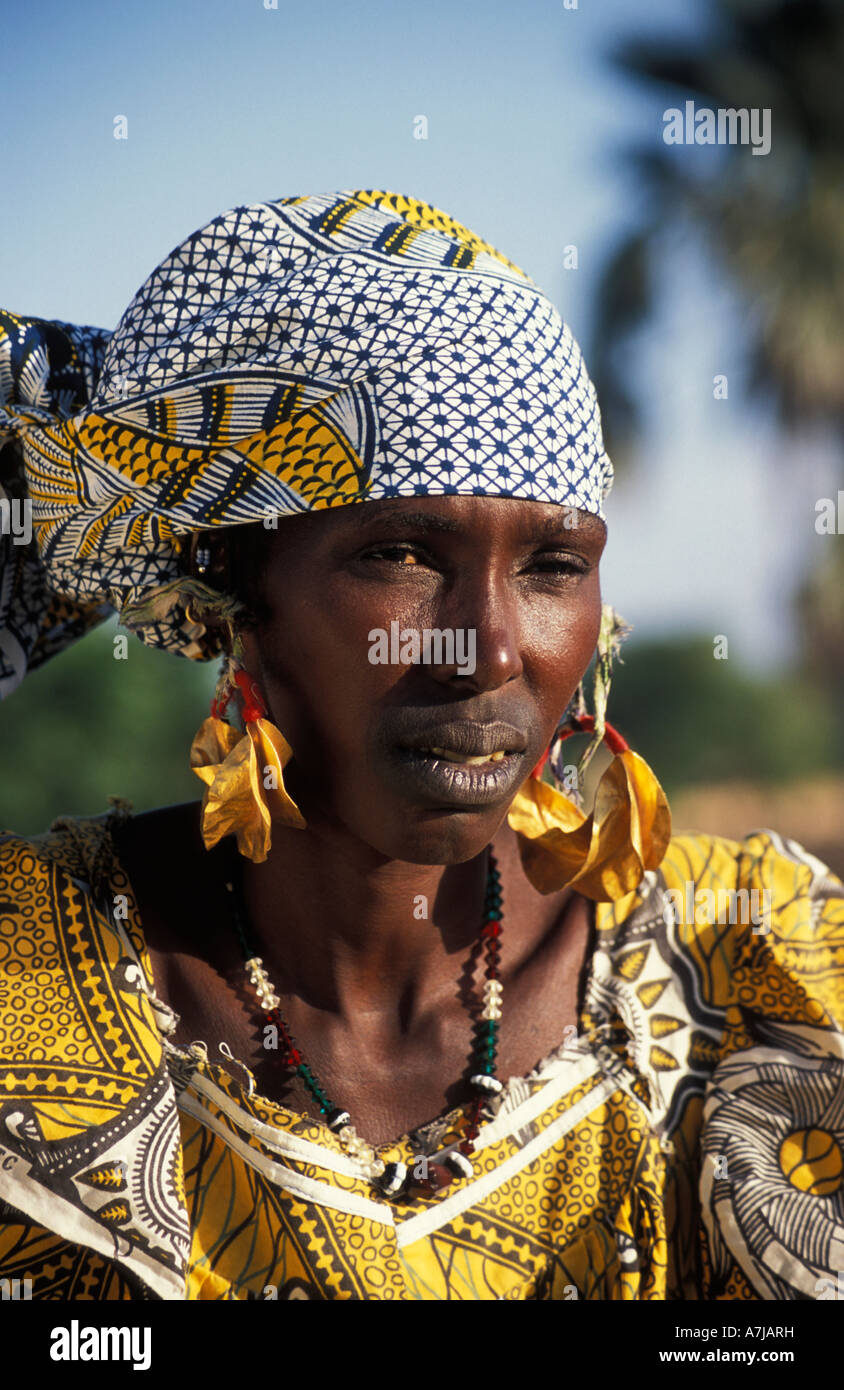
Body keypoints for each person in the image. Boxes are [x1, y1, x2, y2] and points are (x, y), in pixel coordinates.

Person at [0, 190, 842, 1302]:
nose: (489, 650)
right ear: (230, 591)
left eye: (553, 565)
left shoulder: (756, 967)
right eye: (399, 553)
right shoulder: (32, 974)